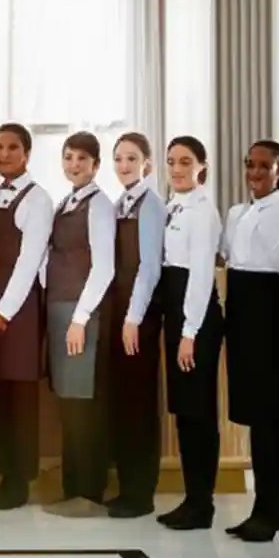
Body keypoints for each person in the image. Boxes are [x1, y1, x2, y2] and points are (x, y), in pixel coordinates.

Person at [220, 140, 279, 542]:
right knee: (255, 415)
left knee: (272, 419)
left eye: (263, 166)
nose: (254, 172)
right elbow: (225, 259)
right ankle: (261, 507)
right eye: (249, 164)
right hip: (240, 314)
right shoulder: (238, 212)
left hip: (268, 316)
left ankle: (273, 509)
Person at [42, 131, 116, 519]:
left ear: (96, 166)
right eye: (69, 157)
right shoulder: (65, 203)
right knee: (69, 404)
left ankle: (89, 492)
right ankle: (73, 488)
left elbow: (104, 266)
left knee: (85, 404)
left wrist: (80, 318)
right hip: (59, 309)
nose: (74, 165)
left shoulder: (99, 206)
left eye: (82, 159)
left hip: (80, 312)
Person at [0, 123, 53, 511]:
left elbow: (29, 261)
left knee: (20, 395)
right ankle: (3, 471)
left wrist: (4, 312)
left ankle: (19, 481)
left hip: (19, 309)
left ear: (26, 153)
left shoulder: (36, 199)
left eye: (11, 147)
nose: (3, 154)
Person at [158, 135, 225, 531]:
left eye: (185, 161)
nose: (178, 169)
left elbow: (201, 275)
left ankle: (203, 503)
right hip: (177, 312)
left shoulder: (203, 211)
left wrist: (189, 332)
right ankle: (192, 497)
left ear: (202, 165)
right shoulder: (173, 206)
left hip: (194, 317)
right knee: (185, 411)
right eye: (171, 161)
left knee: (199, 410)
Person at [102, 132, 166, 519]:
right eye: (119, 159)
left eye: (131, 158)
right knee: (123, 402)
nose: (124, 165)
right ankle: (126, 487)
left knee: (140, 403)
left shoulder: (151, 205)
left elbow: (149, 266)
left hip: (137, 316)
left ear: (147, 164)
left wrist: (133, 318)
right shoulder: (119, 204)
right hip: (118, 312)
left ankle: (141, 493)